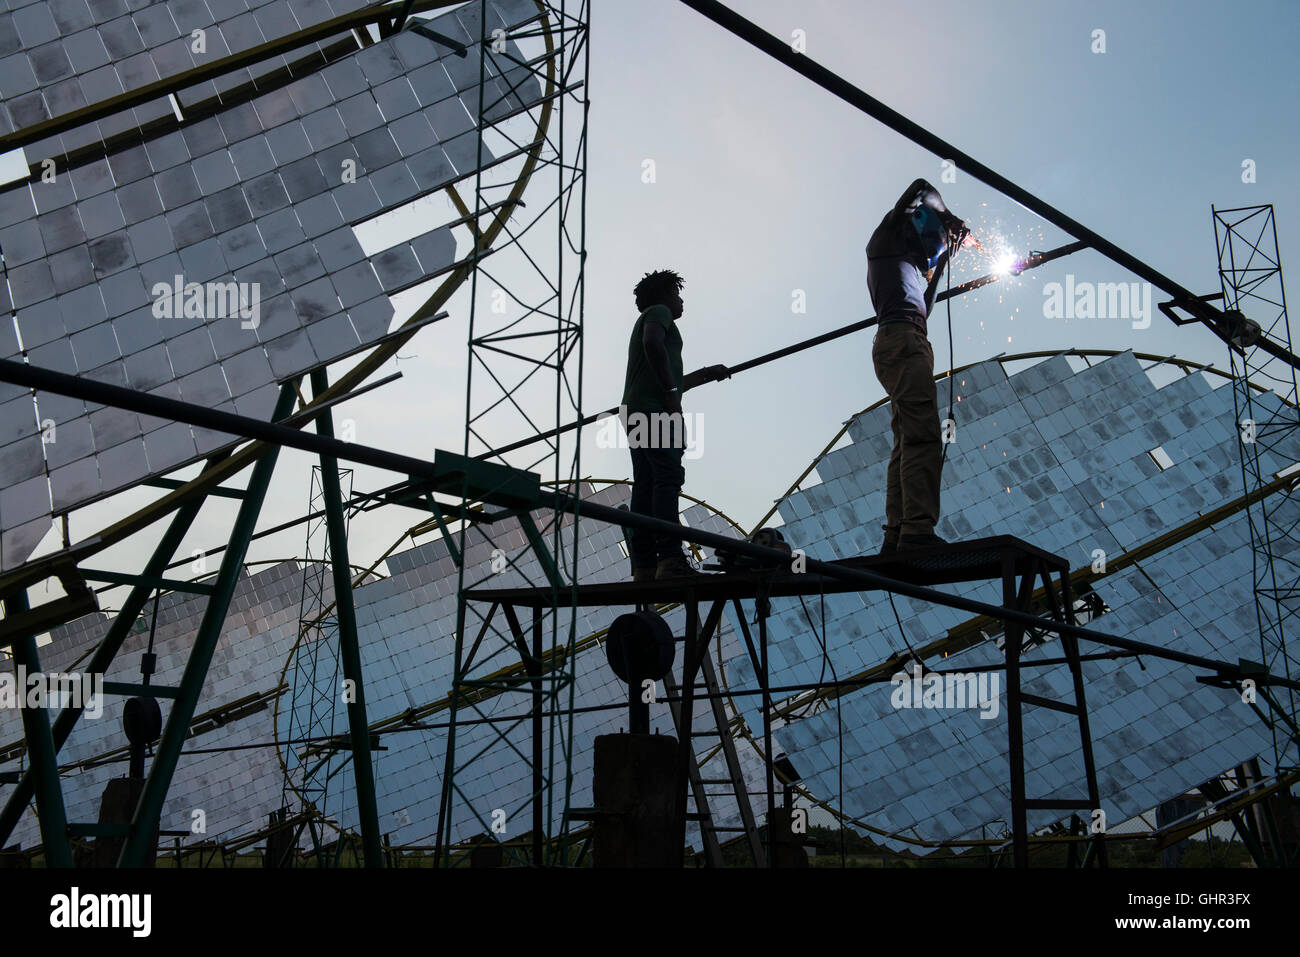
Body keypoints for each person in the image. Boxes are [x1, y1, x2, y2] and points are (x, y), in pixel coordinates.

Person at [867, 179, 970, 554]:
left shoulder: (910, 267)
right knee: (924, 436)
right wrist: (951, 218)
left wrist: (945, 259)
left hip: (910, 342)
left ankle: (897, 533)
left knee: (906, 441)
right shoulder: (886, 243)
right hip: (903, 343)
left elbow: (926, 304)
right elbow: (921, 187)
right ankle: (917, 532)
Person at [621, 269, 729, 580]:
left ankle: (645, 565)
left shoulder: (650, 320)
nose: (681, 301)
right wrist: (670, 395)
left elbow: (668, 377)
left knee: (645, 486)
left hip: (636, 409)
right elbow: (653, 345)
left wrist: (706, 373)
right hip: (655, 411)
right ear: (665, 296)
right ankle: (669, 559)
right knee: (666, 479)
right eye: (677, 294)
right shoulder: (659, 313)